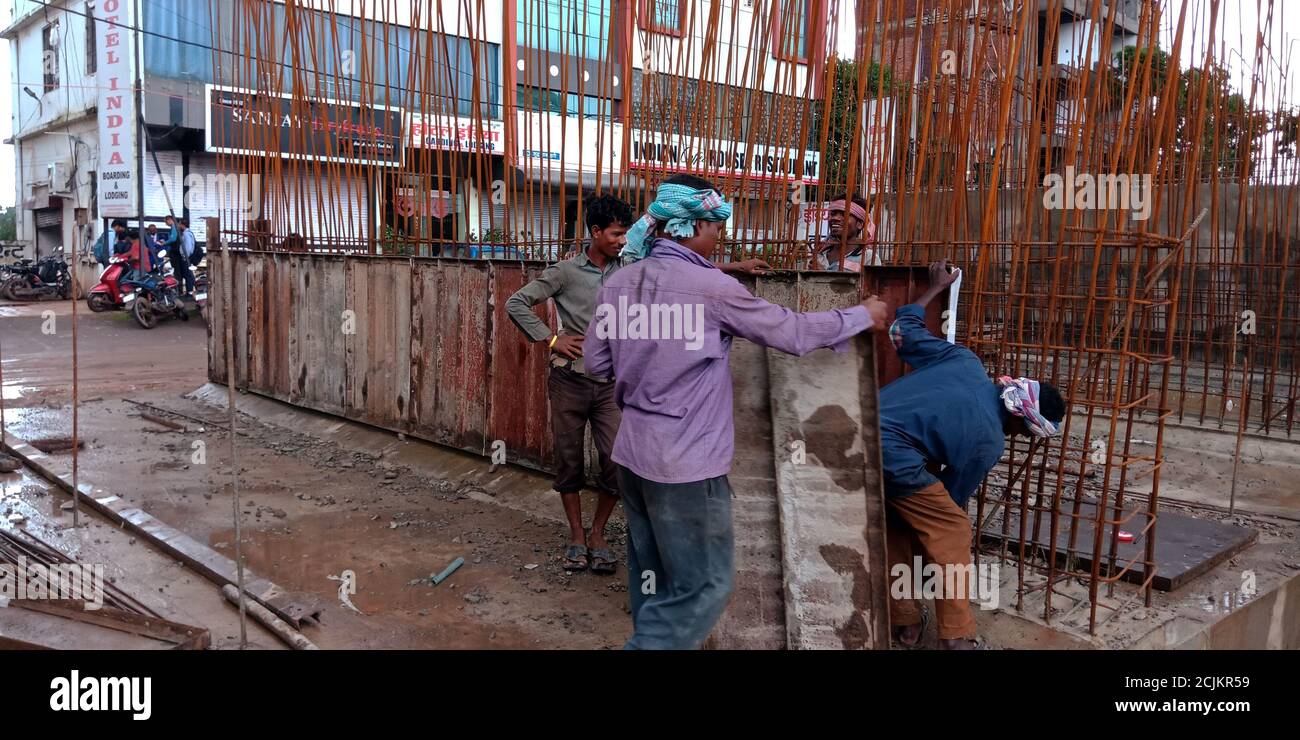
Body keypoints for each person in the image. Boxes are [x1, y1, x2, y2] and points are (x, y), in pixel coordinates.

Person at [584, 175, 890, 649]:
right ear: (695, 226)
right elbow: (791, 333)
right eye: (716, 227)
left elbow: (597, 364)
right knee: (704, 585)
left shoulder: (617, 284)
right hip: (686, 465)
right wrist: (860, 316)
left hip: (632, 456)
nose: (719, 238)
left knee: (653, 579)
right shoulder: (712, 288)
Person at [879, 259, 1066, 650]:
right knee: (951, 530)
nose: (1021, 440)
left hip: (860, 426)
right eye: (1026, 434)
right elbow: (952, 499)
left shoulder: (964, 361)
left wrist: (934, 287)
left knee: (899, 515)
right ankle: (957, 635)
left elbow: (902, 330)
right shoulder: (988, 441)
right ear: (1021, 422)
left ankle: (905, 622)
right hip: (892, 452)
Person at [504, 194, 636, 575]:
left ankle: (599, 534)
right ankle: (577, 536)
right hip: (569, 381)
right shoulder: (564, 272)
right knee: (568, 459)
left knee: (615, 462)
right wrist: (551, 339)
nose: (622, 240)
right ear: (595, 232)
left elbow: (672, 269)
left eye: (625, 233)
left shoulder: (628, 267)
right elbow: (516, 303)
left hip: (611, 385)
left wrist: (734, 266)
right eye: (615, 233)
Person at [814, 193, 880, 272]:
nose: (835, 218)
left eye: (844, 215)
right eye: (833, 214)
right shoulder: (821, 254)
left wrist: (823, 274)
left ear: (859, 224)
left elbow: (872, 284)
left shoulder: (868, 258)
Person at [175, 218, 197, 294]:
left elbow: (187, 246)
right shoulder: (187, 233)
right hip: (187, 257)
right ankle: (189, 291)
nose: (178, 226)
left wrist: (185, 256)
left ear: (182, 225)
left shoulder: (186, 234)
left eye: (179, 224)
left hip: (186, 257)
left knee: (188, 275)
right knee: (187, 274)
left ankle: (189, 292)